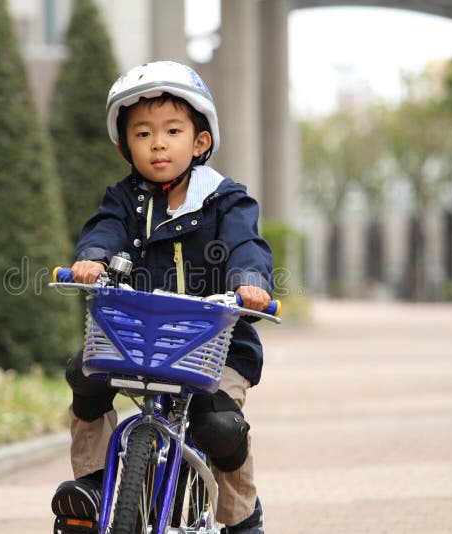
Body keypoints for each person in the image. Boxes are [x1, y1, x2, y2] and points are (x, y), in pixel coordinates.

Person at [51, 61, 273, 534]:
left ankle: (240, 518)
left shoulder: (226, 200)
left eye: (172, 130)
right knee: (84, 373)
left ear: (199, 142)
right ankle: (92, 485)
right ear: (124, 145)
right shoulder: (124, 200)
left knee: (220, 426)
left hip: (216, 343)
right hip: (138, 337)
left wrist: (250, 282)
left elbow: (246, 245)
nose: (157, 143)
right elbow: (104, 230)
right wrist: (93, 258)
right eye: (143, 133)